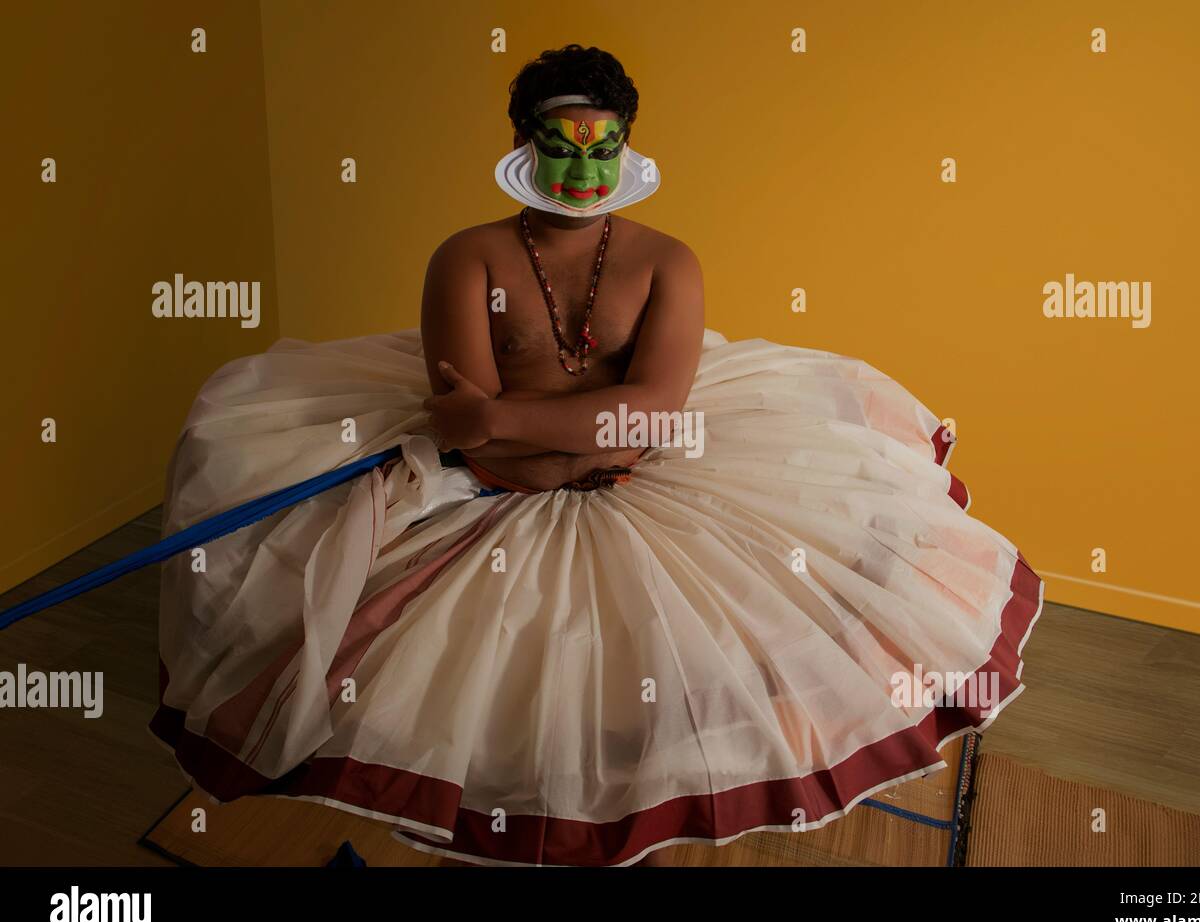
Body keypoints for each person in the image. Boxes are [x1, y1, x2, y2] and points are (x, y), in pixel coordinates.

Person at [151, 44, 1043, 867]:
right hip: (480, 497)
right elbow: (463, 435)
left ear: (628, 146)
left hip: (644, 484)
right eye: (562, 146)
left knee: (647, 693)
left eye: (603, 147)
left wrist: (508, 412)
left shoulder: (668, 263)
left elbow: (649, 416)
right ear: (520, 142)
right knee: (470, 699)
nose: (583, 170)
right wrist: (528, 422)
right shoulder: (467, 258)